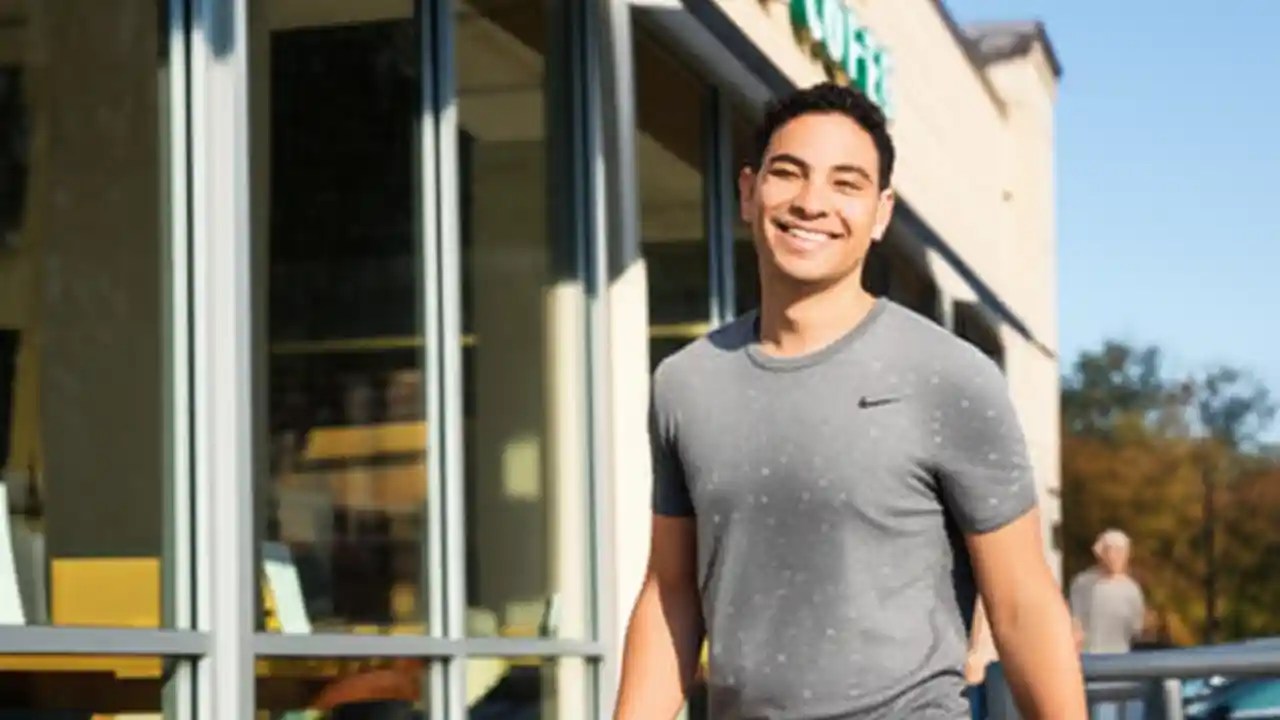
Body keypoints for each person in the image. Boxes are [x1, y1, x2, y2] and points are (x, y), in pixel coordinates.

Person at [612, 82, 1085, 719]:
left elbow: (1023, 603)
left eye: (846, 182)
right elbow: (671, 595)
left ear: (881, 213)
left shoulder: (948, 375)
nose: (812, 202)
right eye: (789, 174)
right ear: (749, 192)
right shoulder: (686, 382)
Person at [1069, 529, 1146, 654]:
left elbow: (1136, 629)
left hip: (1120, 657)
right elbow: (1075, 621)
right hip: (1089, 656)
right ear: (1101, 554)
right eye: (1112, 551)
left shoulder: (1132, 589)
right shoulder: (1083, 584)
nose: (1117, 557)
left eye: (1121, 552)